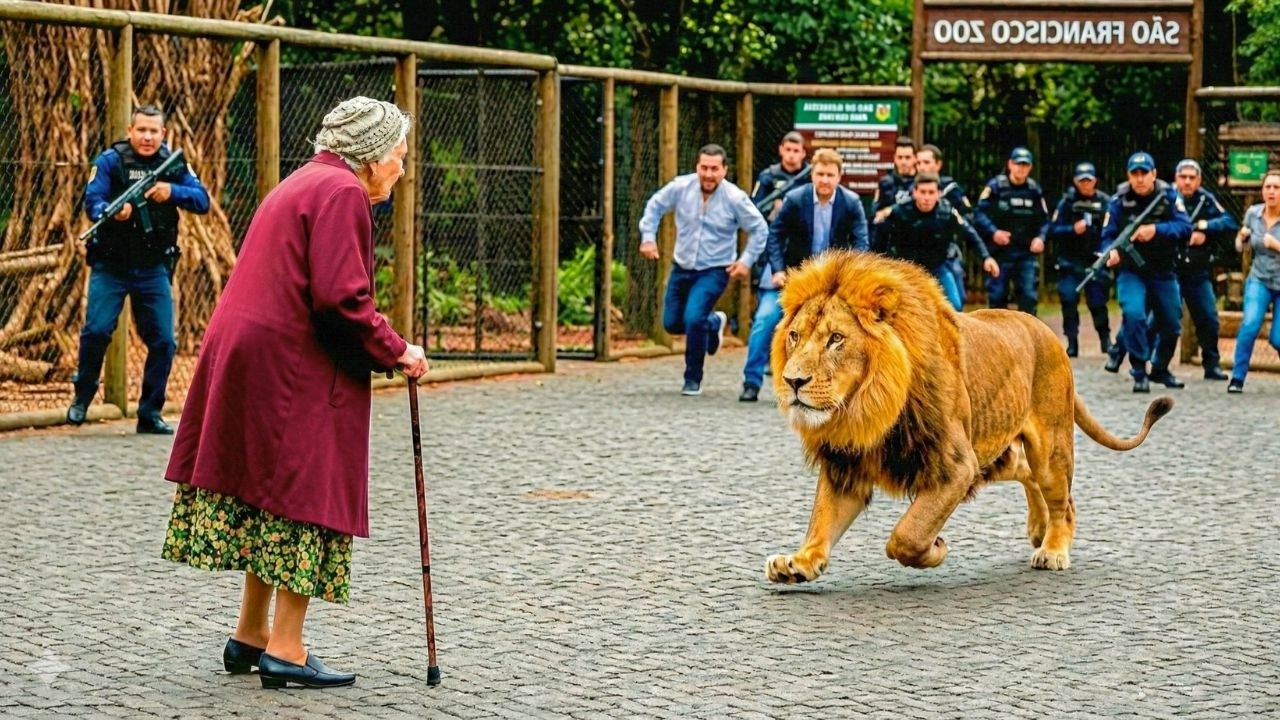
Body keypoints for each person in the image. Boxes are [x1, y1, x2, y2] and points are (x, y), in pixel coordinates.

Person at [161, 97, 430, 689]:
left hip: (254, 352)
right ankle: (286, 647)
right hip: (289, 363)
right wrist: (399, 350)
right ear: (370, 156)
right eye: (399, 158)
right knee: (303, 494)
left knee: (269, 491)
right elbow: (342, 299)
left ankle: (251, 634)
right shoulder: (342, 193)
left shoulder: (306, 180)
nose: (402, 171)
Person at [67, 104, 210, 433]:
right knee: (97, 331)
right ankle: (82, 396)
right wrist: (112, 211)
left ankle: (149, 413)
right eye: (141, 130)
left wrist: (170, 191)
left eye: (153, 131)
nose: (146, 137)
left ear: (163, 134)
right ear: (130, 131)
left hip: (153, 267)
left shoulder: (171, 164)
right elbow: (93, 202)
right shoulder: (110, 161)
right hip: (111, 265)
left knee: (164, 341)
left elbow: (201, 200)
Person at [740, 148, 868, 402]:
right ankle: (751, 381)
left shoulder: (851, 203)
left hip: (833, 282)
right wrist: (778, 270)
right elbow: (774, 235)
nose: (824, 180)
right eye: (820, 174)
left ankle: (839, 387)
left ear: (839, 176)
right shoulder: (795, 199)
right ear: (812, 174)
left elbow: (861, 242)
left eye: (830, 175)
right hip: (793, 277)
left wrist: (850, 276)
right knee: (766, 319)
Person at [639, 143, 767, 396]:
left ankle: (692, 378)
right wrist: (648, 237)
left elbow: (759, 228)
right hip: (682, 265)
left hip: (714, 269)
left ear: (724, 170)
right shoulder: (681, 187)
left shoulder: (735, 198)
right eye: (704, 168)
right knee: (672, 323)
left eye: (714, 169)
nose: (708, 174)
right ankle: (713, 323)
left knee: (693, 317)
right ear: (697, 167)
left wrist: (745, 261)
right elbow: (655, 205)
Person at [1100, 151, 1192, 393]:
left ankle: (1160, 368)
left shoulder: (1169, 196)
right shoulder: (1118, 200)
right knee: (1134, 315)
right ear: (1128, 176)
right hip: (1132, 271)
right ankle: (1139, 370)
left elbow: (1185, 227)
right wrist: (1110, 253)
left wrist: (1156, 230)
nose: (1140, 179)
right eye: (1135, 174)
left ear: (1154, 174)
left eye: (1144, 173)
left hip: (1163, 270)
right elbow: (1107, 236)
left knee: (1171, 323)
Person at [875, 172, 999, 309]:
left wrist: (986, 257)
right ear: (914, 192)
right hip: (906, 268)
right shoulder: (899, 212)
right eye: (922, 192)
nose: (926, 197)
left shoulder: (947, 212)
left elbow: (969, 234)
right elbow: (880, 240)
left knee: (955, 306)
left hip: (937, 267)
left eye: (931, 192)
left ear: (939, 193)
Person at [1165, 158, 1238, 380]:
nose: (1187, 182)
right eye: (1183, 177)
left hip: (1197, 270)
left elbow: (1228, 222)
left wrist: (1204, 227)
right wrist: (1184, 233)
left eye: (1192, 177)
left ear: (1199, 180)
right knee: (1165, 317)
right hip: (1171, 269)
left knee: (1208, 318)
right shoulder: (1165, 198)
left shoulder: (1206, 199)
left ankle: (1211, 363)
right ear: (1176, 179)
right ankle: (1156, 365)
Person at [746, 132, 810, 349]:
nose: (791, 155)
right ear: (781, 150)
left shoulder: (810, 177)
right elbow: (754, 210)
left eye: (796, 151)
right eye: (788, 150)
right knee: (769, 307)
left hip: (801, 245)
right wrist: (773, 211)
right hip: (773, 246)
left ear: (803, 153)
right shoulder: (768, 176)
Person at [1044, 161, 1112, 357]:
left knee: (1098, 301)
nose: (1085, 184)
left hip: (1095, 261)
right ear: (1075, 181)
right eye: (1081, 181)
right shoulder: (1067, 203)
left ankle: (1105, 339)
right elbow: (1053, 230)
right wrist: (1072, 230)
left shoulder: (1105, 202)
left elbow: (1112, 230)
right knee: (1068, 298)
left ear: (1095, 181)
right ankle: (1072, 342)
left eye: (1088, 180)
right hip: (1070, 262)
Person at [973, 146, 1049, 315]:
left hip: (1025, 254)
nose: (1021, 168)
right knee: (997, 298)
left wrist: (1041, 238)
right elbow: (978, 214)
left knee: (1028, 298)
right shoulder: (995, 187)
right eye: (1018, 164)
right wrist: (994, 232)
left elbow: (1045, 221)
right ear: (1010, 164)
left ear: (1030, 167)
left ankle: (1029, 339)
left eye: (1025, 165)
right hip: (1000, 253)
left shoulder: (1034, 190)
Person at [1227, 169, 1280, 393]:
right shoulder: (1253, 214)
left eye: (1277, 187)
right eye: (1268, 187)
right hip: (1259, 278)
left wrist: (1275, 245)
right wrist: (1241, 239)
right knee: (1249, 325)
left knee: (1277, 339)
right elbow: (1241, 247)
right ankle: (1237, 378)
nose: (1271, 191)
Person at [872, 136, 916, 223]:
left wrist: (891, 210)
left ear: (914, 158)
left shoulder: (921, 182)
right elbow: (876, 212)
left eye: (907, 157)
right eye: (900, 157)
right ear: (894, 158)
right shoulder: (885, 182)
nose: (903, 162)